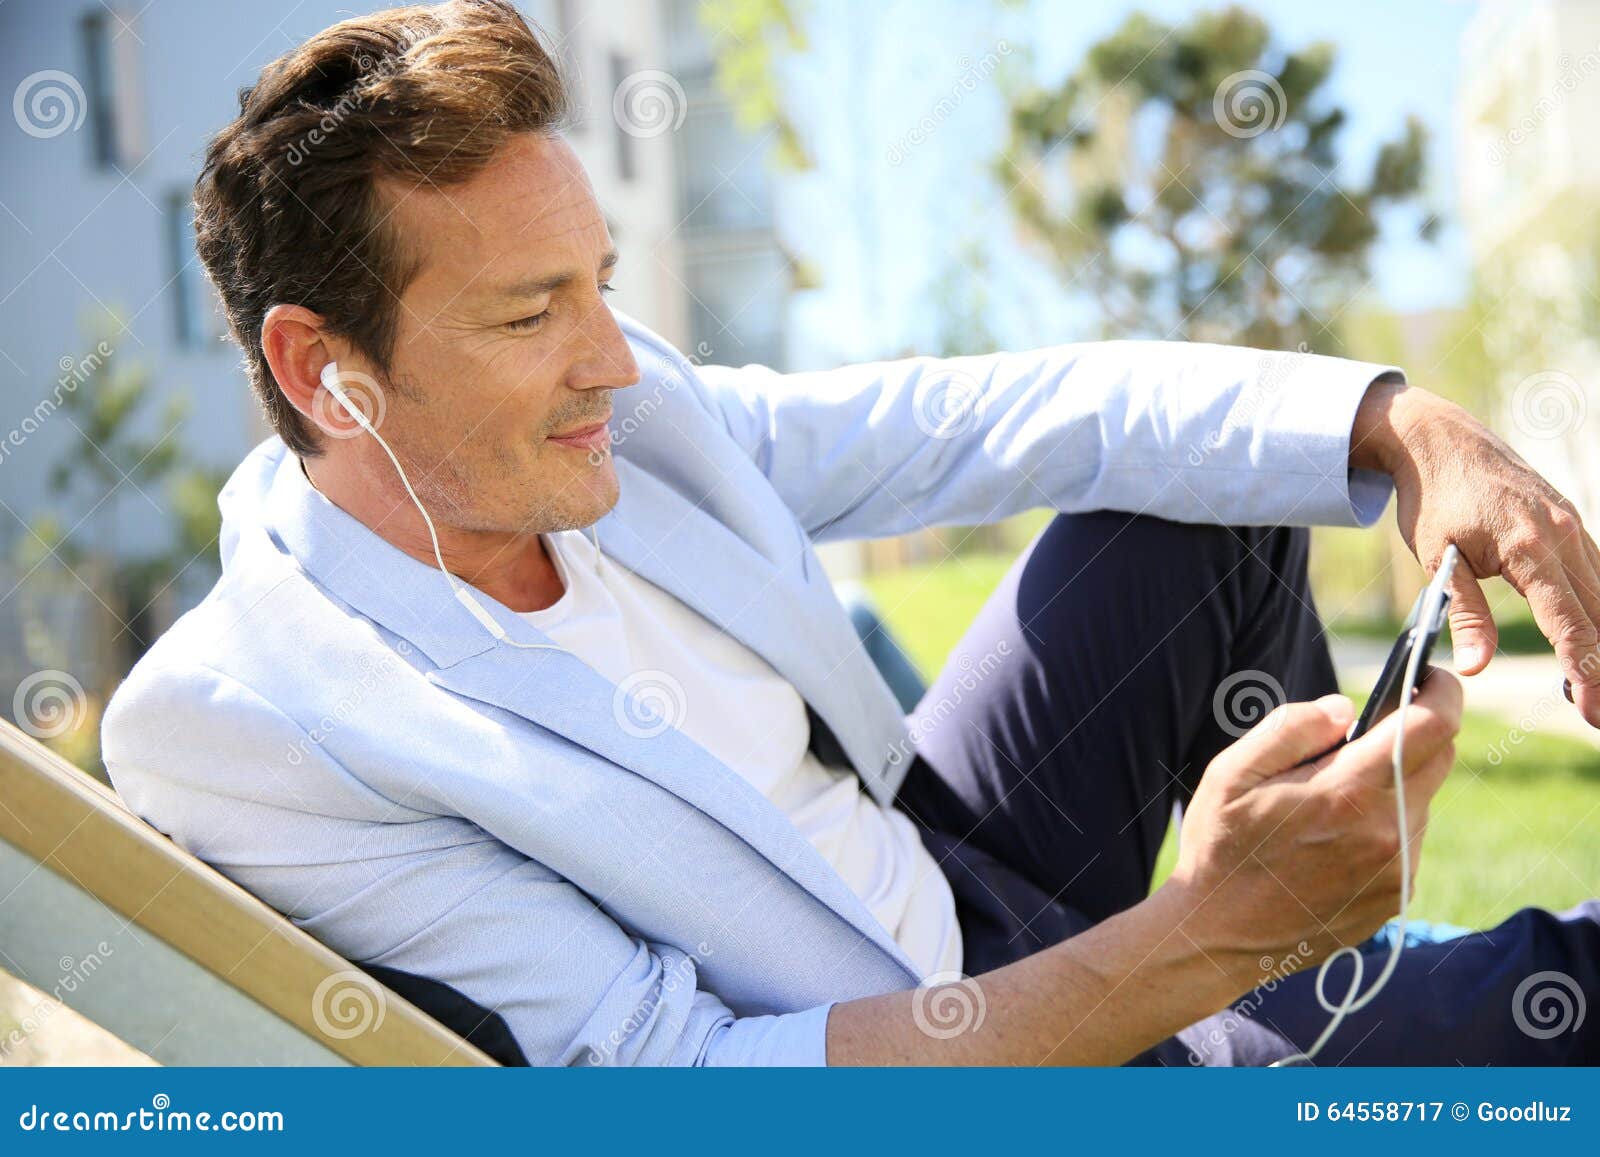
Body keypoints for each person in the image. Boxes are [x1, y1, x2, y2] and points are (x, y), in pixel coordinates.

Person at [102, 0, 1598, 1066]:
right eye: (527, 312)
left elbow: (998, 416)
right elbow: (679, 1085)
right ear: (322, 371)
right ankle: (1266, 1020)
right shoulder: (246, 717)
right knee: (1561, 995)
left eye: (598, 281)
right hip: (920, 1051)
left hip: (946, 858)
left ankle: (1293, 998)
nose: (613, 358)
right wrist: (1202, 936)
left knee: (1205, 502)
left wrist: (1402, 423)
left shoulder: (627, 405)